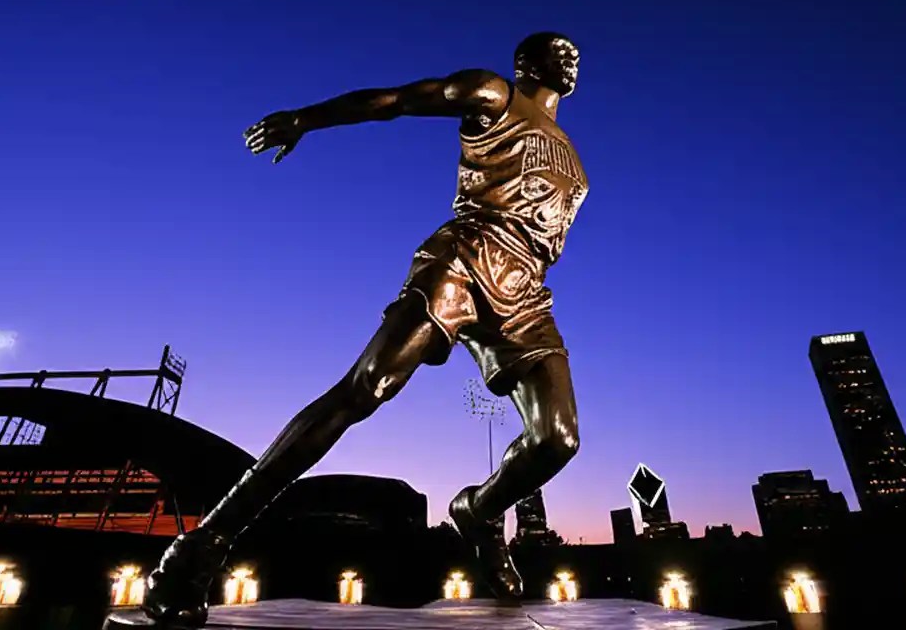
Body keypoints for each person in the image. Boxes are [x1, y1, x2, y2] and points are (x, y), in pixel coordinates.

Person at [143, 32, 589, 627]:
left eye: (575, 53)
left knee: (557, 439)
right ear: (527, 62)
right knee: (366, 388)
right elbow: (398, 100)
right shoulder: (493, 93)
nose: (573, 57)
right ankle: (203, 545)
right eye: (559, 49)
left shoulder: (575, 158)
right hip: (465, 257)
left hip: (526, 291)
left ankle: (480, 511)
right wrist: (306, 118)